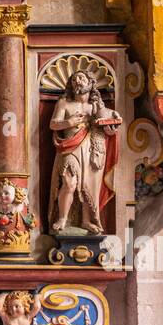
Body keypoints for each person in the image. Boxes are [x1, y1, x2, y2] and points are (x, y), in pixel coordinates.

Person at [50, 70, 121, 235]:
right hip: (69, 147)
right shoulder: (64, 103)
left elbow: (109, 131)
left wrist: (112, 126)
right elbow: (53, 124)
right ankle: (62, 218)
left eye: (81, 78)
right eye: (74, 79)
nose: (77, 81)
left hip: (92, 149)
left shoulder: (96, 107)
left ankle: (87, 220)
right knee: (69, 183)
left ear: (91, 83)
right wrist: (68, 122)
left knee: (89, 186)